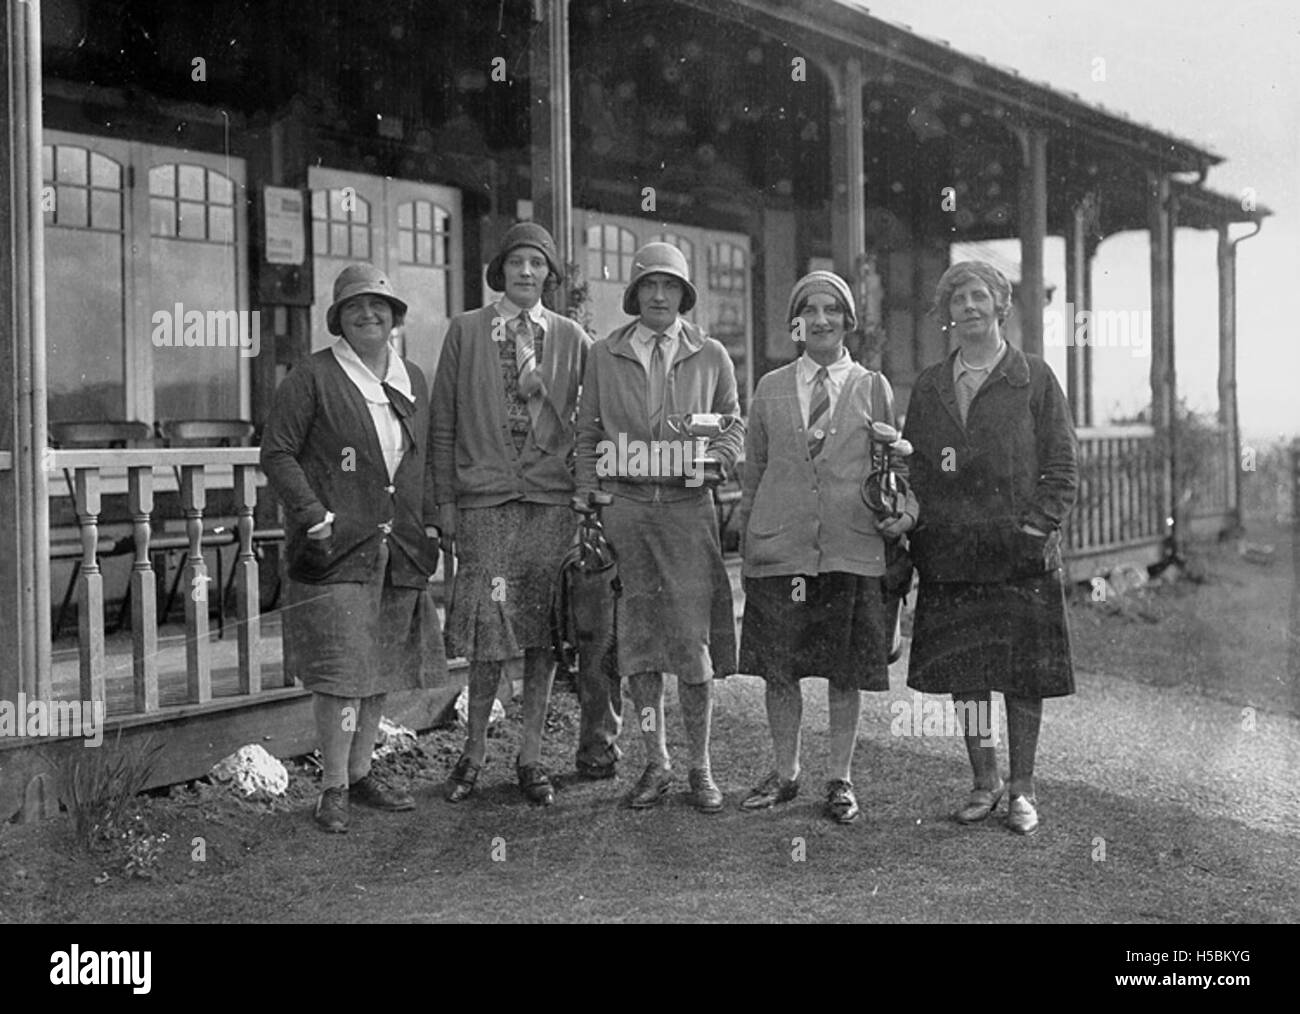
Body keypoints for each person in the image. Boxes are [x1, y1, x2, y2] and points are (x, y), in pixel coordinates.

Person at [261, 263, 448, 833]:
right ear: (338, 318)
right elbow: (278, 452)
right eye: (354, 306)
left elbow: (422, 459)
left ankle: (363, 773)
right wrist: (313, 513)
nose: (368, 314)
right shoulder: (313, 376)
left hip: (401, 546)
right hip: (337, 545)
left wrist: (434, 520)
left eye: (379, 306)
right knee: (341, 670)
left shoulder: (411, 375)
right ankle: (333, 786)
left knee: (380, 666)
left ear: (395, 317)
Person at [902, 260, 1078, 835]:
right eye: (958, 300)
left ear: (1002, 306)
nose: (969, 307)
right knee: (969, 672)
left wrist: (1035, 530)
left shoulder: (1034, 377)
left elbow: (1062, 466)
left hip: (1019, 553)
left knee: (1024, 673)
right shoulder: (930, 385)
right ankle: (984, 782)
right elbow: (920, 470)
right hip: (951, 552)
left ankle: (1022, 791)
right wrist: (914, 520)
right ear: (947, 314)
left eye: (980, 297)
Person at [735, 271, 914, 823]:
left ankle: (839, 778)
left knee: (844, 670)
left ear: (847, 321)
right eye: (808, 310)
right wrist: (749, 545)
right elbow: (755, 471)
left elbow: (892, 471)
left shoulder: (873, 386)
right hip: (781, 548)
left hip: (848, 549)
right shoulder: (769, 388)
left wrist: (899, 515)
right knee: (780, 669)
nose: (820, 319)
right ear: (795, 323)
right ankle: (786, 772)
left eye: (831, 310)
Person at [574, 241, 743, 812]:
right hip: (627, 510)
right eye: (649, 285)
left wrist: (715, 461)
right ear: (635, 294)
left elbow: (731, 426)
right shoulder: (605, 353)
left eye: (670, 286)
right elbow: (587, 434)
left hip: (688, 512)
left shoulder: (711, 354)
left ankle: (700, 767)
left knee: (691, 643)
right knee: (641, 647)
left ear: (684, 295)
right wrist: (586, 497)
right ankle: (656, 762)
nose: (659, 295)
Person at [431, 222, 591, 807]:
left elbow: (590, 421)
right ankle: (472, 754)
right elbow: (442, 423)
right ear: (500, 270)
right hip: (485, 503)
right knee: (487, 632)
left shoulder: (572, 337)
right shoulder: (466, 331)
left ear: (551, 274)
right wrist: (445, 503)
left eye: (538, 263)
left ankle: (530, 758)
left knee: (542, 633)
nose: (527, 273)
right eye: (518, 262)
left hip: (549, 503)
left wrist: (585, 491)